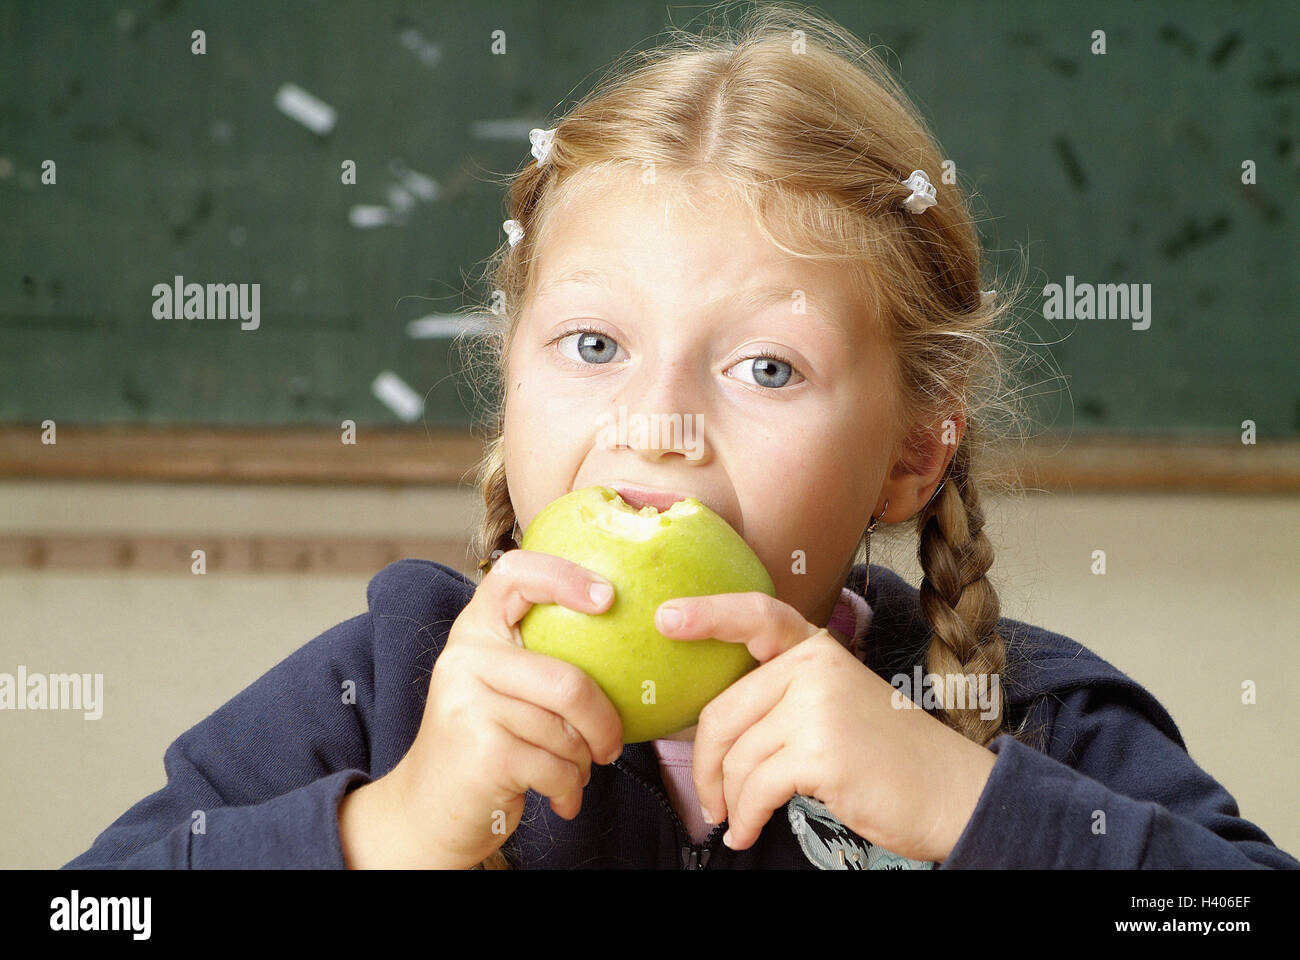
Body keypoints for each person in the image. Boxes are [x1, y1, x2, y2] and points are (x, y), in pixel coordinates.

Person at [63, 2, 1297, 870]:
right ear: (511, 388)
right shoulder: (383, 692)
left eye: (766, 367)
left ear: (913, 452)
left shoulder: (1027, 715)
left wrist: (967, 807)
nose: (658, 427)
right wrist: (388, 834)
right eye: (594, 348)